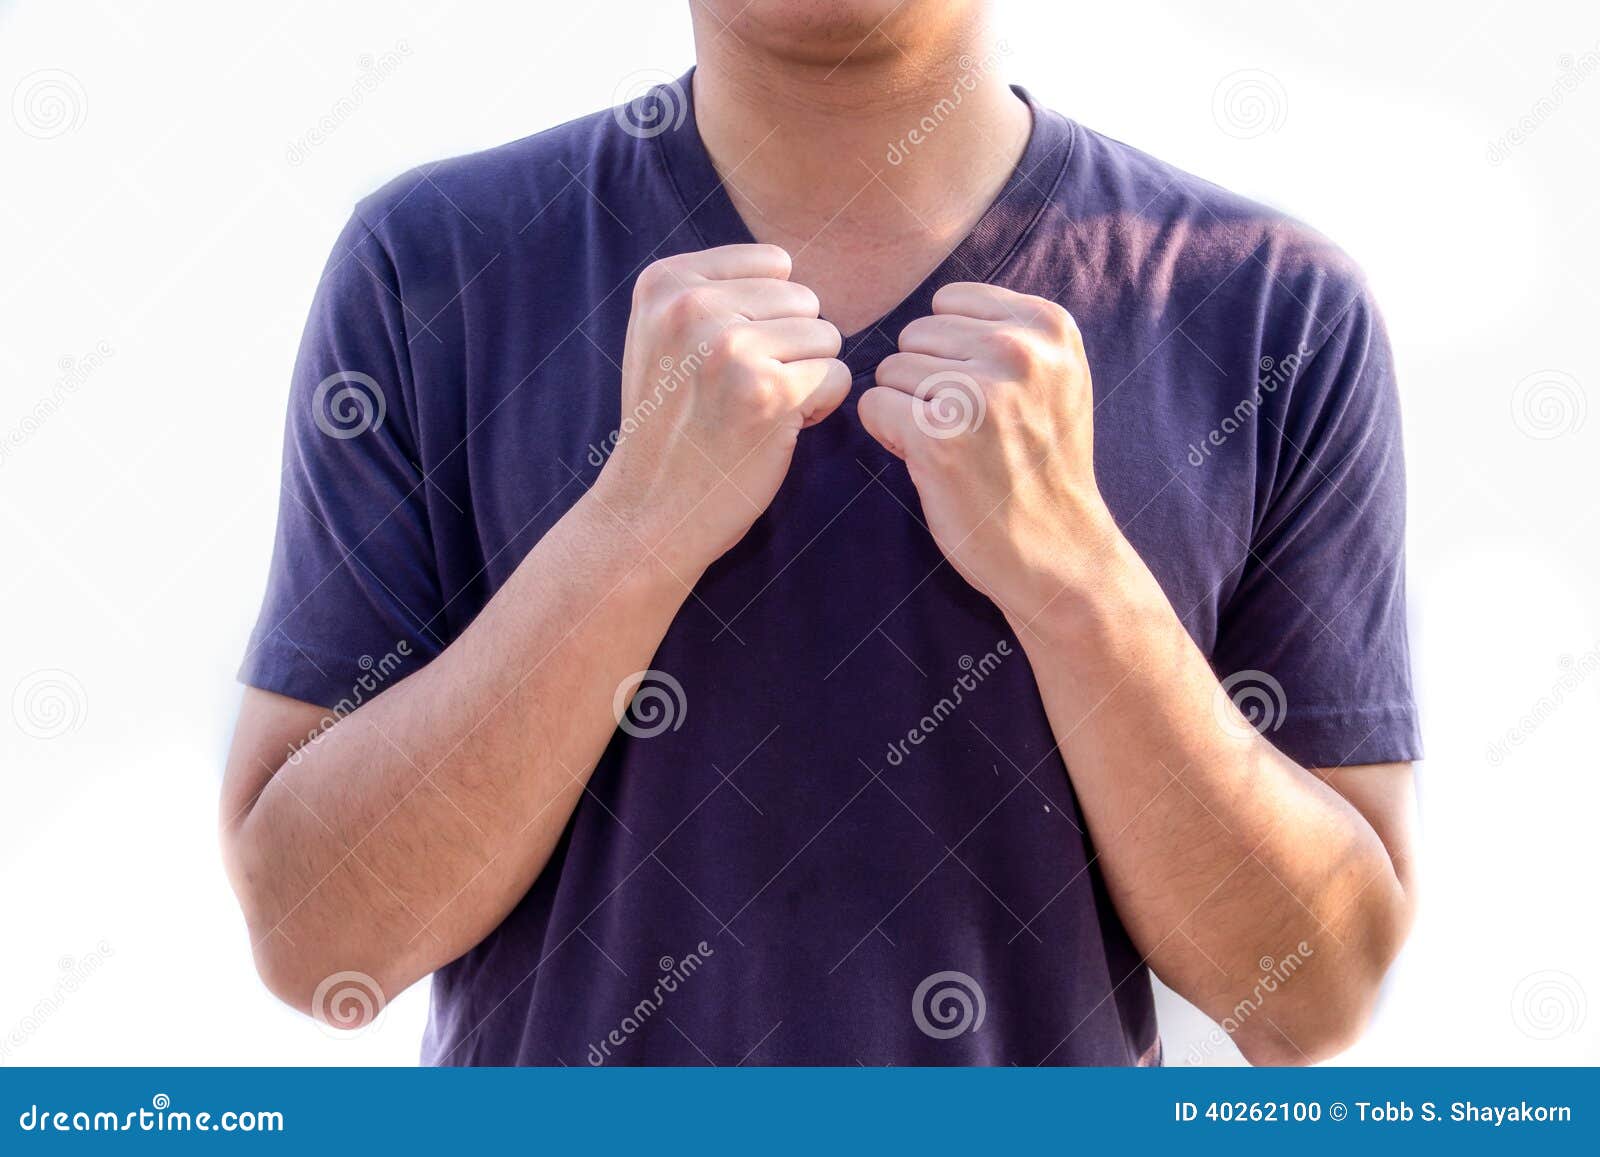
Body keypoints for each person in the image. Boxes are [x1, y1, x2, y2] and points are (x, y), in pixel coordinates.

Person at [220, 0, 1421, 1066]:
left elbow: (1312, 999)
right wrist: (631, 532)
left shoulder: (1274, 310)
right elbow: (318, 939)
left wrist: (1075, 579)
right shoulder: (429, 267)